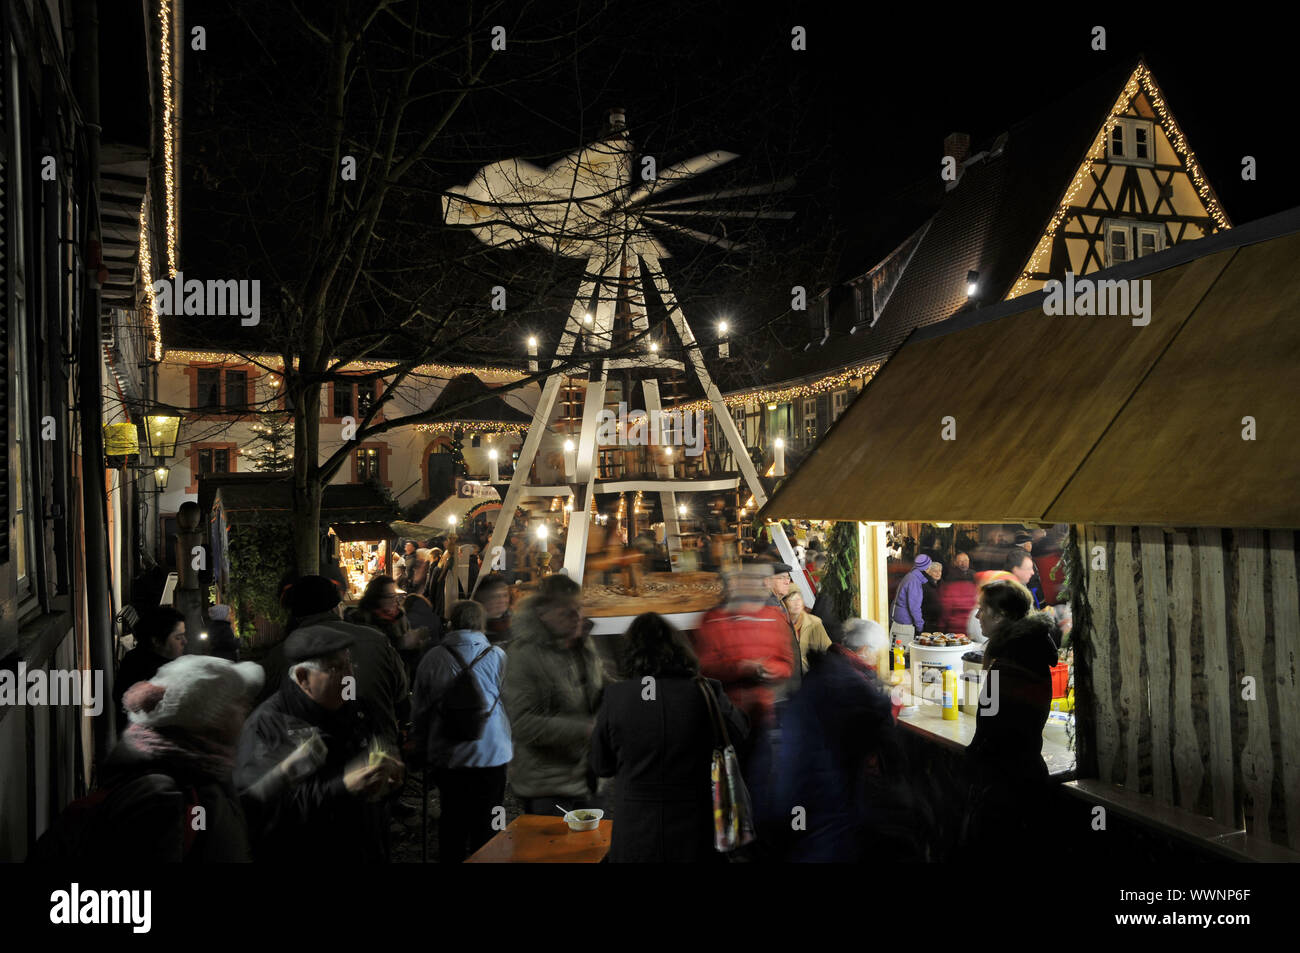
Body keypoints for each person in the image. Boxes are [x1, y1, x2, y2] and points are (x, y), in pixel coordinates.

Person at [34, 656, 264, 862]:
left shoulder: (203, 769)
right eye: (236, 702)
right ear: (211, 718)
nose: (245, 709)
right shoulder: (161, 799)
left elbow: (220, 825)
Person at [236, 626, 404, 863]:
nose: (349, 676)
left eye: (349, 665)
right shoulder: (268, 725)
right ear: (304, 677)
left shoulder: (357, 707)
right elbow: (263, 808)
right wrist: (342, 786)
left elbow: (378, 746)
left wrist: (387, 776)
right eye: (337, 668)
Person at [590, 613, 747, 863]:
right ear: (679, 648)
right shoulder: (707, 691)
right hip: (696, 823)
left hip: (636, 827)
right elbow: (739, 737)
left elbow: (601, 765)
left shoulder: (616, 697)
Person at [411, 599, 512, 863]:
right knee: (489, 817)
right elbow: (508, 700)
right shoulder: (498, 656)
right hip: (491, 751)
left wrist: (420, 743)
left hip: (448, 753)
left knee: (452, 818)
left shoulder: (433, 657)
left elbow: (420, 708)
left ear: (451, 623)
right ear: (481, 623)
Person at [963, 579, 1058, 859]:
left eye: (983, 609)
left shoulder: (1006, 664)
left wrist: (973, 760)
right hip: (1025, 777)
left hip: (1005, 788)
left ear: (1001, 616)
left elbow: (991, 726)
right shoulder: (1032, 650)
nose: (978, 616)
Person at [258, 575, 409, 747]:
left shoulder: (279, 657)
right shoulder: (376, 640)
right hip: (380, 760)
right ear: (338, 607)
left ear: (293, 614)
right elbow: (401, 696)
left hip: (316, 765)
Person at [502, 574, 607, 816]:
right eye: (566, 612)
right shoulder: (525, 655)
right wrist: (586, 730)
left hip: (589, 778)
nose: (577, 618)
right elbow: (522, 723)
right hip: (548, 786)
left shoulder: (581, 644)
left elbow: (598, 682)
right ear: (543, 613)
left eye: (579, 609)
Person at [693, 565, 796, 744]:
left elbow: (786, 663)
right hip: (723, 717)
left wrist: (770, 670)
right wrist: (742, 667)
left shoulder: (772, 617)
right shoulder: (712, 620)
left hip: (761, 715)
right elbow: (703, 669)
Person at [115, 607, 188, 717]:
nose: (184, 641)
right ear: (156, 641)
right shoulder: (144, 671)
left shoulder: (169, 664)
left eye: (184, 635)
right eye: (178, 637)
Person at [346, 576, 421, 677]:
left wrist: (415, 646)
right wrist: (401, 643)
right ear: (377, 598)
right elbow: (370, 653)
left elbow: (408, 661)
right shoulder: (362, 620)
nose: (396, 601)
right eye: (390, 596)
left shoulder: (399, 618)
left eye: (396, 596)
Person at [763, 562, 803, 694]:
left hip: (786, 682)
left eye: (788, 578)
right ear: (768, 582)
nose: (787, 582)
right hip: (777, 687)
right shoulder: (766, 608)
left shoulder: (779, 602)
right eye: (781, 578)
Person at [782, 589, 833, 673]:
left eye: (799, 599)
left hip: (811, 675)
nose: (797, 603)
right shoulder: (780, 624)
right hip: (788, 676)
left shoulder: (814, 623)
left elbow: (828, 650)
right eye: (792, 599)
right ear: (784, 603)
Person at [889, 553, 932, 646]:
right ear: (925, 568)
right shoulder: (914, 581)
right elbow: (914, 607)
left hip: (898, 618)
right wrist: (920, 626)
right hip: (904, 622)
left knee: (898, 651)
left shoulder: (910, 576)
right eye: (929, 567)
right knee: (901, 653)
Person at [940, 554, 978, 634]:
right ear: (956, 563)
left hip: (971, 625)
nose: (963, 563)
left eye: (965, 561)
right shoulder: (951, 576)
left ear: (969, 562)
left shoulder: (974, 575)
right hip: (956, 628)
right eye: (960, 561)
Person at [476, 573, 514, 644]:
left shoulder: (516, 624)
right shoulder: (476, 630)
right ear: (483, 599)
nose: (502, 600)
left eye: (505, 595)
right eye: (495, 596)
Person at [920, 561, 944, 633]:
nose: (938, 573)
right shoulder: (924, 585)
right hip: (927, 623)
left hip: (940, 622)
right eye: (935, 571)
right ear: (929, 572)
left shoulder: (943, 584)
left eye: (940, 571)